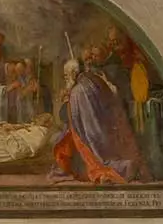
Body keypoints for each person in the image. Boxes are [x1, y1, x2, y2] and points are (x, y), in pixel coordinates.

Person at [49, 46, 146, 184]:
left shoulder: (78, 91)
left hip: (92, 139)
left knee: (68, 147)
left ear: (72, 74)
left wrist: (67, 102)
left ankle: (121, 168)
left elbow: (77, 125)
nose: (65, 79)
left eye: (66, 75)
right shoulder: (92, 80)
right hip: (105, 133)